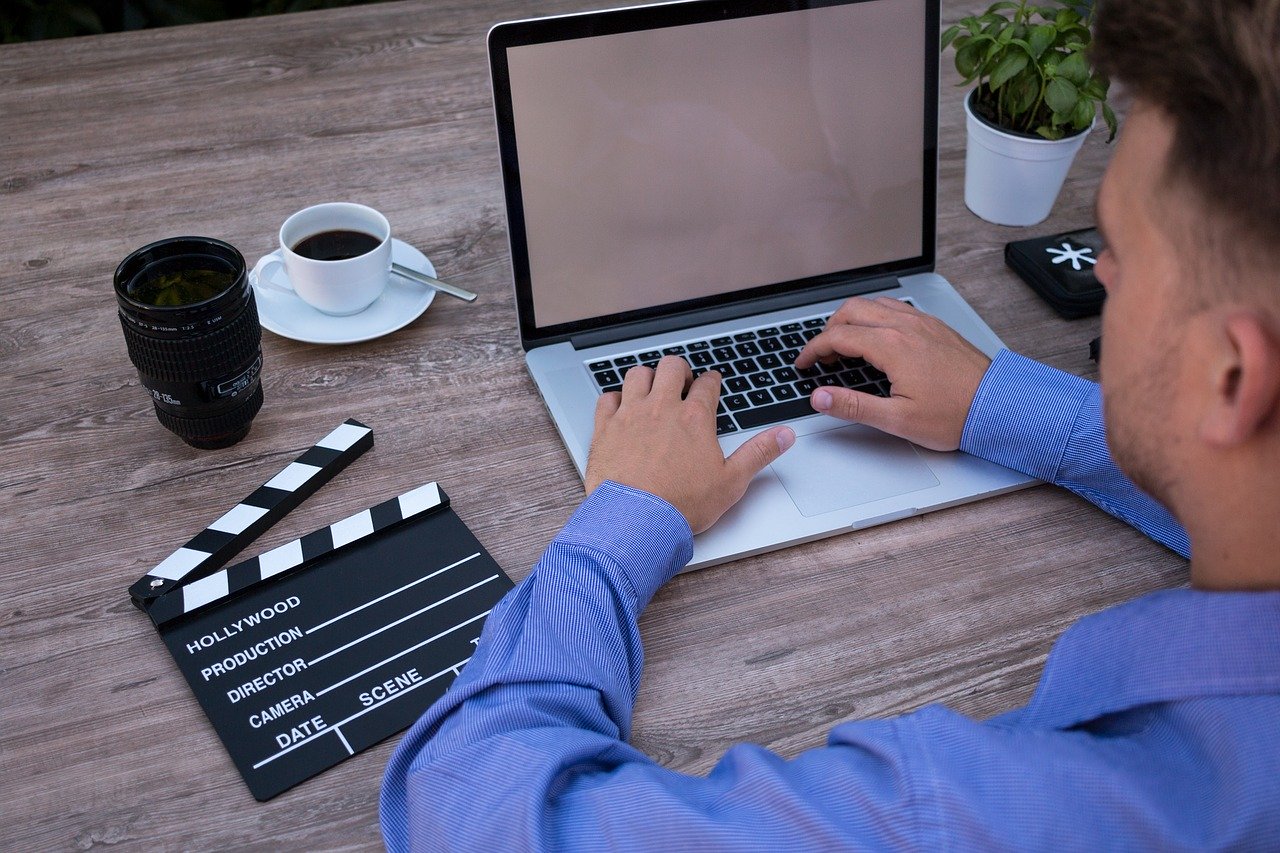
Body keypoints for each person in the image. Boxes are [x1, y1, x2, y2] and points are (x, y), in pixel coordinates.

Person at [382, 0, 1280, 847]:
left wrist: (621, 519)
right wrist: (995, 403)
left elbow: (471, 806)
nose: (1098, 276)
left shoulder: (987, 813)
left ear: (1231, 375)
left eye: (1115, 251)